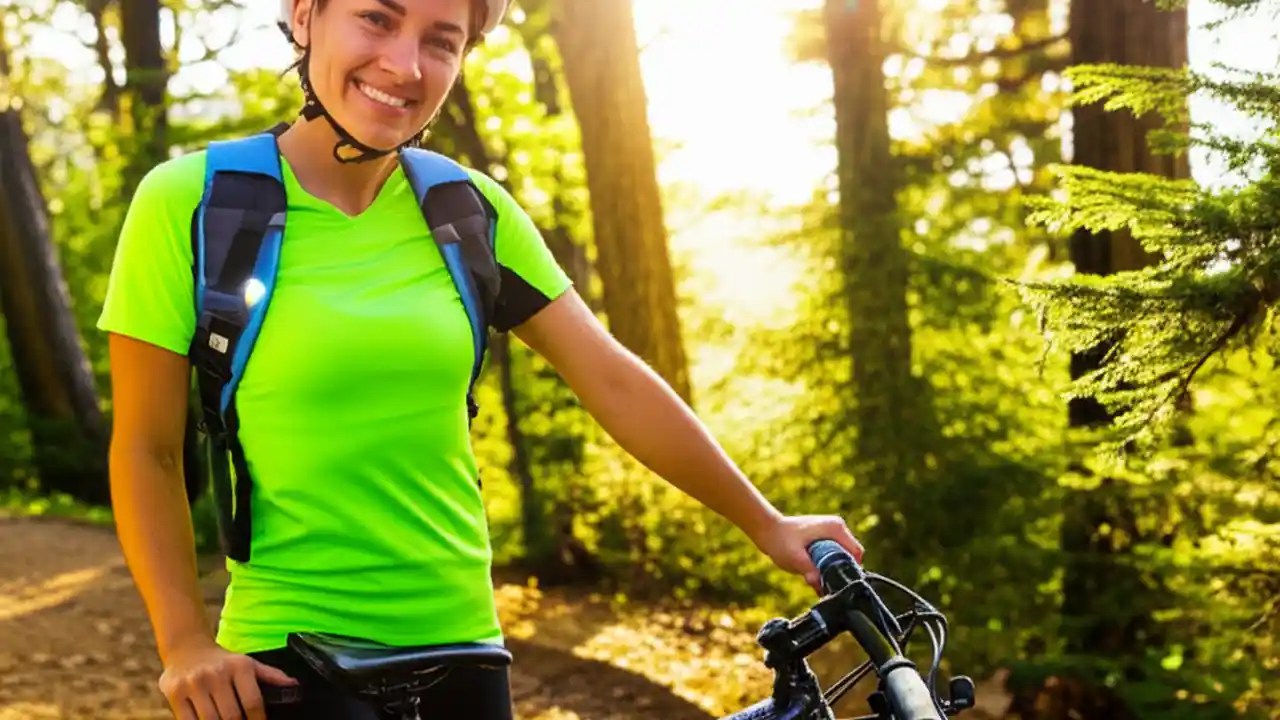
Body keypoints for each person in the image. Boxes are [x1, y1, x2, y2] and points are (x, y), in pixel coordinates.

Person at [97, 0, 865, 717]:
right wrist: (184, 643)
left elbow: (612, 379)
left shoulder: (467, 211)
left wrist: (766, 523)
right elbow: (148, 449)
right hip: (288, 663)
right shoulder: (194, 203)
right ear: (306, 15)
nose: (405, 65)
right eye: (376, 19)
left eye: (441, 40)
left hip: (467, 655)